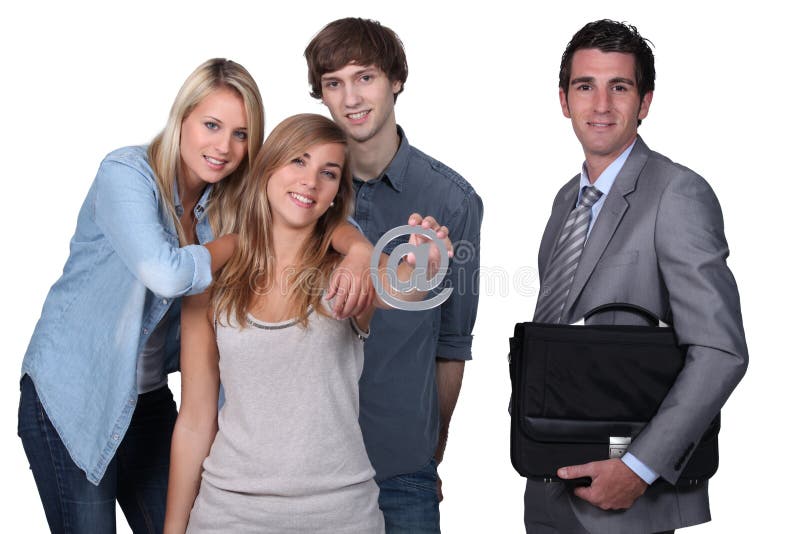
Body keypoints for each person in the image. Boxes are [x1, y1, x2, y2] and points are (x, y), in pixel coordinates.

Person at [18, 59, 372, 534]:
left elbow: (307, 199)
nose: (224, 146)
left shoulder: (225, 200)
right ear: (181, 118)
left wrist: (360, 248)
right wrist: (241, 241)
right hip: (76, 394)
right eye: (211, 125)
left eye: (242, 135)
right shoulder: (126, 174)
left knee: (180, 519)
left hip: (147, 400)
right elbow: (166, 274)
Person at [163, 113, 452, 533]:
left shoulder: (349, 270)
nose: (310, 181)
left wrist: (428, 257)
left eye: (328, 173)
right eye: (298, 161)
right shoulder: (215, 277)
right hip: (228, 514)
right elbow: (194, 420)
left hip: (340, 515)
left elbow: (406, 286)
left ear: (337, 192)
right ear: (268, 168)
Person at [525, 20, 748, 534]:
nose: (601, 105)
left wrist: (639, 468)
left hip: (628, 504)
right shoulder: (567, 201)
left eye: (619, 87)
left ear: (645, 101)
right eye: (586, 86)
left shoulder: (678, 195)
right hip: (548, 491)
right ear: (564, 100)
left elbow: (720, 351)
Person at [304, 18, 483, 533]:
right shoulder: (298, 189)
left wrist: (433, 454)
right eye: (334, 83)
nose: (351, 98)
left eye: (365, 77)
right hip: (304, 470)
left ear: (396, 80)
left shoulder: (453, 201)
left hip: (402, 470)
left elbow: (452, 341)